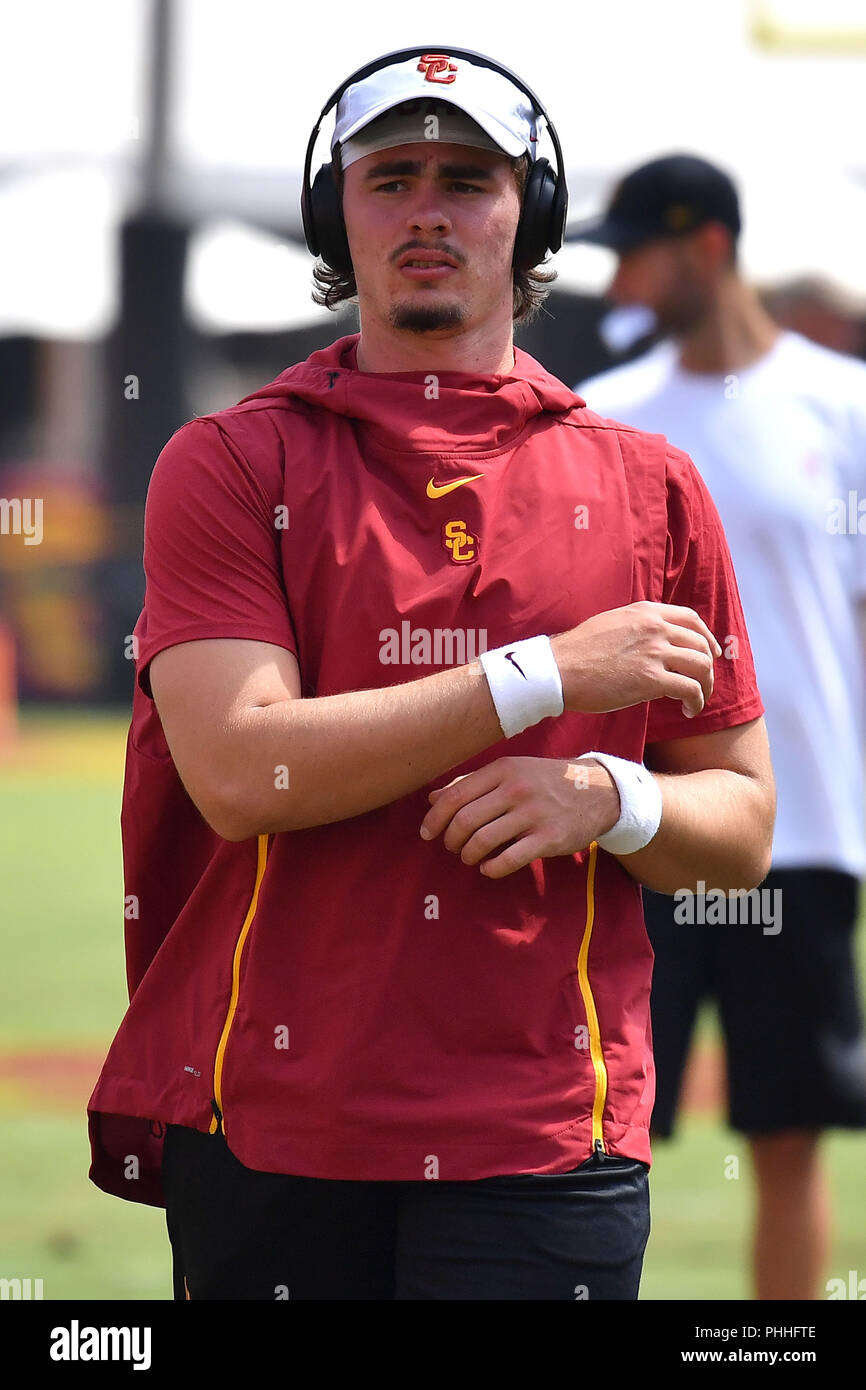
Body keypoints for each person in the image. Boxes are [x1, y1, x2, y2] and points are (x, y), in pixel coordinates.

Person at [87, 54, 774, 1302]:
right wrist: (544, 676)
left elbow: (737, 828)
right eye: (388, 178)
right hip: (275, 1120)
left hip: (546, 1131)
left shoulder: (650, 483)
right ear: (332, 217)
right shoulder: (231, 463)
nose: (427, 211)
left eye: (468, 180)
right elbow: (246, 769)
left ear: (533, 218)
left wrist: (611, 801)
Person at [574, 152, 866, 1301]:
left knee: (788, 1133)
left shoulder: (842, 404)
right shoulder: (605, 417)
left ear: (705, 248)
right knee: (595, 1125)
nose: (618, 283)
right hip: (650, 822)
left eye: (636, 254)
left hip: (799, 832)